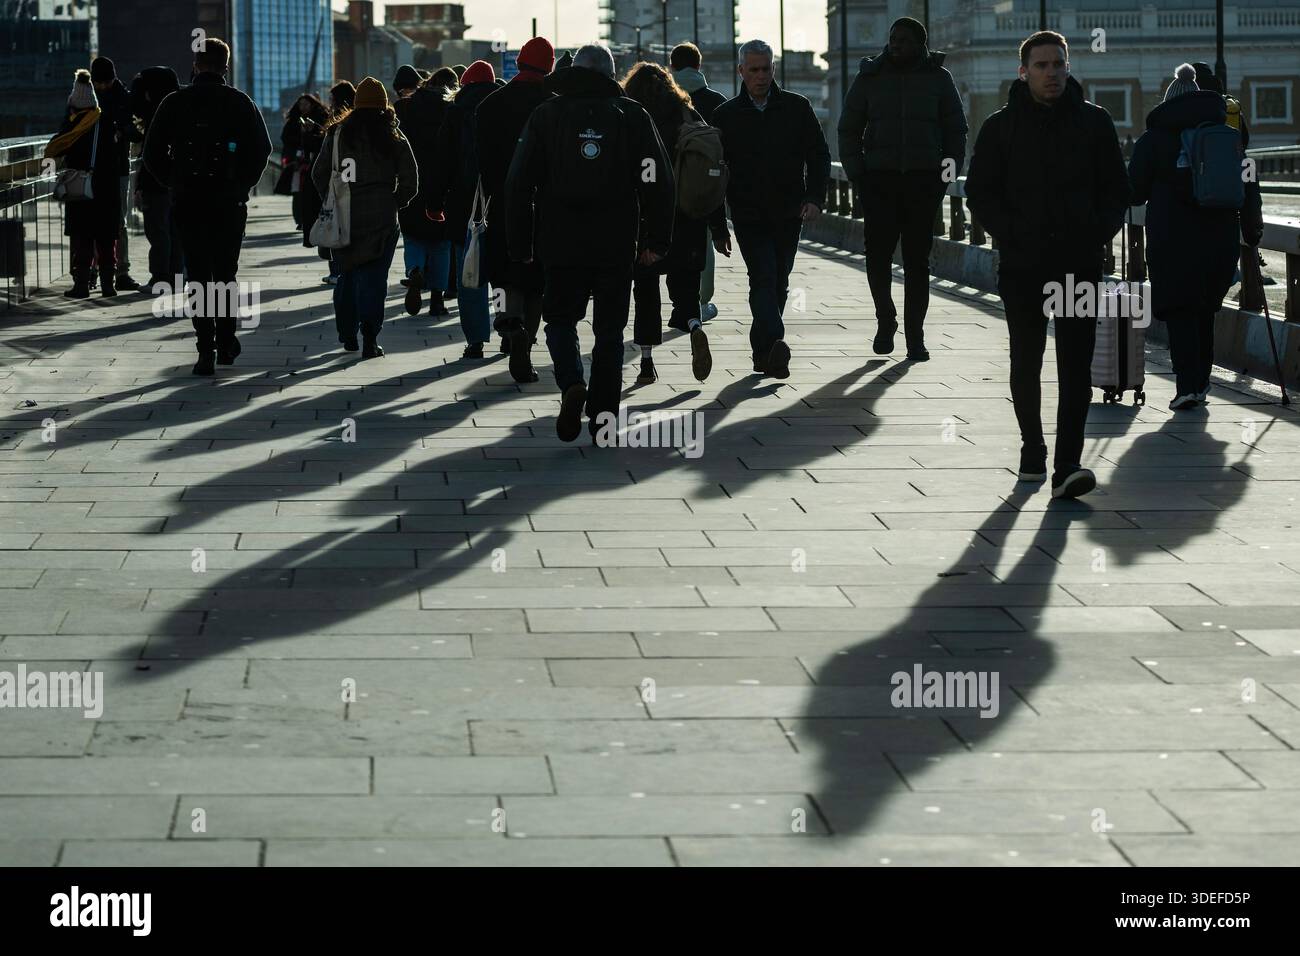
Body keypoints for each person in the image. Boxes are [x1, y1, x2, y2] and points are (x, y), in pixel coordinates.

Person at [964, 31, 1129, 499]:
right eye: (1041, 65)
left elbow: (1117, 190)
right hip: (1023, 265)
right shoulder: (999, 128)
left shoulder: (1095, 124)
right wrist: (1012, 233)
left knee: (1076, 365)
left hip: (1077, 264)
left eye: (1059, 64)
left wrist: (1096, 232)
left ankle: (1068, 465)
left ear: (1069, 67)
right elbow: (980, 193)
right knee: (1027, 358)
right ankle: (1032, 448)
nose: (1052, 72)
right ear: (1024, 71)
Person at [505, 44, 674, 442]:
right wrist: (656, 240)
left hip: (559, 240)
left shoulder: (547, 115)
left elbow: (518, 183)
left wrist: (520, 243)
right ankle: (603, 419)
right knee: (610, 332)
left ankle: (570, 384)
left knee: (560, 320)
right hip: (616, 243)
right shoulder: (632, 115)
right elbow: (657, 180)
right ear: (610, 75)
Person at [1128, 63, 1263, 410]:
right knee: (1204, 311)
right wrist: (1252, 230)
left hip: (1173, 242)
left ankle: (1188, 385)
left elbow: (1135, 192)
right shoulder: (1225, 134)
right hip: (1220, 242)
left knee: (1180, 311)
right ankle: (1201, 383)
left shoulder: (1155, 139)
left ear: (1169, 101)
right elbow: (1248, 183)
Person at [837, 16, 968, 361]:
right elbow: (848, 128)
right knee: (877, 257)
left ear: (919, 44)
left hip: (924, 182)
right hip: (878, 182)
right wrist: (857, 173)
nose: (896, 44)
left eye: (904, 40)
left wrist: (947, 175)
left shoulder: (939, 79)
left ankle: (915, 337)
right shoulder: (869, 77)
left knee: (917, 262)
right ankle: (885, 319)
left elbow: (956, 130)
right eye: (893, 38)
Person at [143, 37, 272, 376]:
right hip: (228, 201)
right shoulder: (240, 102)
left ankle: (205, 349)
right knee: (224, 273)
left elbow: (151, 152)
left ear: (196, 65)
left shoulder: (174, 102)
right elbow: (262, 149)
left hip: (188, 199)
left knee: (198, 274)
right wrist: (241, 184)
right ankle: (227, 340)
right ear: (225, 67)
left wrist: (173, 182)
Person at [708, 39, 830, 380]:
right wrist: (718, 227)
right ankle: (775, 340)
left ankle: (762, 351)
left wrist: (815, 198)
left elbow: (819, 155)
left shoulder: (797, 107)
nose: (761, 76)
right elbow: (714, 175)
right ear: (741, 72)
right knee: (762, 276)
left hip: (789, 211)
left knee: (779, 282)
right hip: (747, 215)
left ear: (773, 69)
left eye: (766, 69)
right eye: (754, 70)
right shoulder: (726, 115)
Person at [312, 77, 418, 358]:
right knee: (374, 277)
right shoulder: (391, 133)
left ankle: (347, 333)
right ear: (383, 105)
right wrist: (396, 201)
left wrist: (331, 197)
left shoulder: (337, 133)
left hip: (345, 213)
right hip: (382, 216)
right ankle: (370, 335)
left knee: (346, 274)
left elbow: (318, 173)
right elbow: (411, 177)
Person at [622, 60, 713, 384]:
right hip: (687, 216)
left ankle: (646, 361)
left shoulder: (631, 116)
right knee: (686, 288)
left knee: (645, 290)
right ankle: (694, 326)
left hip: (645, 218)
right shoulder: (688, 114)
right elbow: (708, 170)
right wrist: (716, 226)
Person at [474, 37, 555, 382]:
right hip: (542, 204)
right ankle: (528, 338)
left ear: (520, 62)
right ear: (549, 67)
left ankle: (509, 326)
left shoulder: (490, 104)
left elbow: (477, 159)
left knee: (502, 271)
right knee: (536, 280)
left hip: (499, 201)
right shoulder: (553, 107)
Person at [429, 60, 497, 358]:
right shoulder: (503, 105)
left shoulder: (455, 112)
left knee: (470, 271)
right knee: (503, 273)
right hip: (501, 200)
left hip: (463, 204)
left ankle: (476, 340)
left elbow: (442, 160)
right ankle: (509, 329)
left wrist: (433, 203)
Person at [45, 69, 122, 299]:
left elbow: (54, 146)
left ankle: (81, 286)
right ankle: (108, 285)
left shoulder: (73, 124)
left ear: (75, 104)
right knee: (107, 237)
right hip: (107, 187)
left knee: (83, 237)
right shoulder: (106, 121)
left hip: (82, 187)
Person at [669, 41, 726, 324]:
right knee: (702, 240)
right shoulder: (716, 101)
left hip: (668, 186)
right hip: (704, 188)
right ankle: (701, 302)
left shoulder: (664, 100)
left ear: (672, 67)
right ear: (699, 66)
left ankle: (676, 301)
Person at [395, 67, 457, 317]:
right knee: (441, 245)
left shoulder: (405, 107)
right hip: (443, 184)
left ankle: (415, 272)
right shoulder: (452, 109)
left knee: (413, 238)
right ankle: (437, 300)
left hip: (411, 182)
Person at [127, 65, 181, 292]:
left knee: (157, 232)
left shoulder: (155, 113)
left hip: (156, 183)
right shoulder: (179, 107)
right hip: (178, 183)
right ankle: (177, 278)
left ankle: (160, 280)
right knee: (174, 233)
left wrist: (142, 184)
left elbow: (149, 153)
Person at [90, 56, 141, 291]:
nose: (101, 87)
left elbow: (136, 130)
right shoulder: (89, 96)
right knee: (94, 221)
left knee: (118, 220)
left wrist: (122, 130)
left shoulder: (125, 98)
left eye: (105, 82)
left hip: (117, 166)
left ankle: (121, 271)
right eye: (98, 83)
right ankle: (94, 270)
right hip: (94, 167)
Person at [280, 93, 329, 251]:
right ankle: (300, 220)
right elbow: (286, 139)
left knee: (311, 190)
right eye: (301, 104)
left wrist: (311, 131)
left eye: (306, 103)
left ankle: (309, 220)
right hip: (298, 160)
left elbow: (323, 137)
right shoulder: (293, 122)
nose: (303, 107)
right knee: (297, 190)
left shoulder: (320, 118)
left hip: (314, 160)